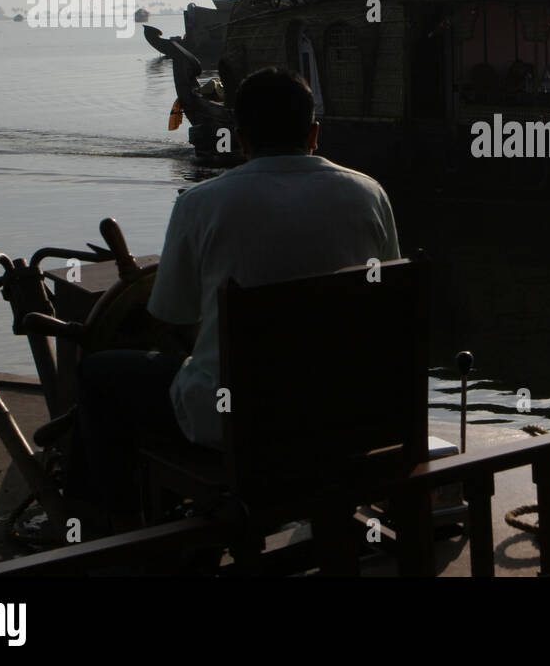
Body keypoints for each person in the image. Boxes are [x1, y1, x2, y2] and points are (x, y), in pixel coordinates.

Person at [57, 67, 401, 535]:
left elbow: (171, 315)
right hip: (349, 413)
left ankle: (114, 531)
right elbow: (386, 307)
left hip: (241, 420)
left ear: (240, 139)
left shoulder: (200, 203)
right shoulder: (370, 194)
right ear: (314, 134)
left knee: (98, 375)